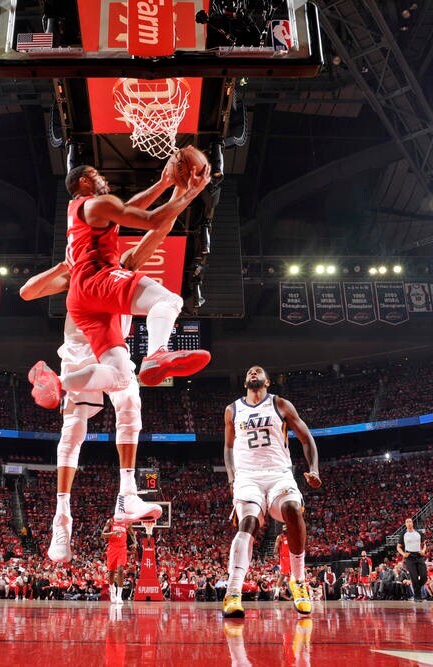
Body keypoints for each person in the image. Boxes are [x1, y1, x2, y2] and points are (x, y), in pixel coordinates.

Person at [20, 222, 177, 561]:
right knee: (73, 429)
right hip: (79, 353)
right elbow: (28, 292)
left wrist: (177, 204)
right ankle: (62, 517)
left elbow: (154, 238)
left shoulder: (124, 270)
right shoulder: (76, 273)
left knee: (131, 402)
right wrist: (65, 265)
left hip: (114, 354)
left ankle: (127, 494)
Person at [28, 158, 211, 412]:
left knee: (121, 376)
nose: (105, 179)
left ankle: (56, 384)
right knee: (169, 301)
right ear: (83, 181)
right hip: (97, 281)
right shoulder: (96, 204)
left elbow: (130, 210)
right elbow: (151, 220)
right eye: (97, 175)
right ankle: (157, 352)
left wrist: (165, 185)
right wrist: (192, 191)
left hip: (81, 300)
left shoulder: (83, 210)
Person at [222, 366, 321, 618]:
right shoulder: (232, 409)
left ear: (267, 381)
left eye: (259, 371)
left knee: (292, 509)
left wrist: (314, 469)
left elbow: (306, 437)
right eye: (250, 371)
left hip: (278, 473)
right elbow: (228, 447)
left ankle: (298, 580)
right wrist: (232, 477)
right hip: (248, 476)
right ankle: (233, 592)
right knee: (249, 523)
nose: (253, 372)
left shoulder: (280, 404)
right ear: (245, 381)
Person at [102, 516, 135, 605]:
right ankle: (112, 590)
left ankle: (119, 596)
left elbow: (132, 533)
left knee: (120, 570)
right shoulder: (110, 521)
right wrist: (112, 533)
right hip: (112, 549)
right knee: (111, 572)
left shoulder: (127, 523)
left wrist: (135, 542)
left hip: (122, 549)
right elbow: (103, 534)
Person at [396, 518, 427, 602]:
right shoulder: (403, 534)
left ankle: (416, 588)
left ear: (412, 523)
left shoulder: (418, 533)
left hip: (419, 555)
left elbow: (424, 544)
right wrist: (403, 554)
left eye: (410, 522)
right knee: (414, 578)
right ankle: (417, 597)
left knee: (424, 577)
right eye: (407, 522)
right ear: (405, 524)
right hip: (409, 556)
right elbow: (398, 547)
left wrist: (423, 550)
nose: (409, 523)